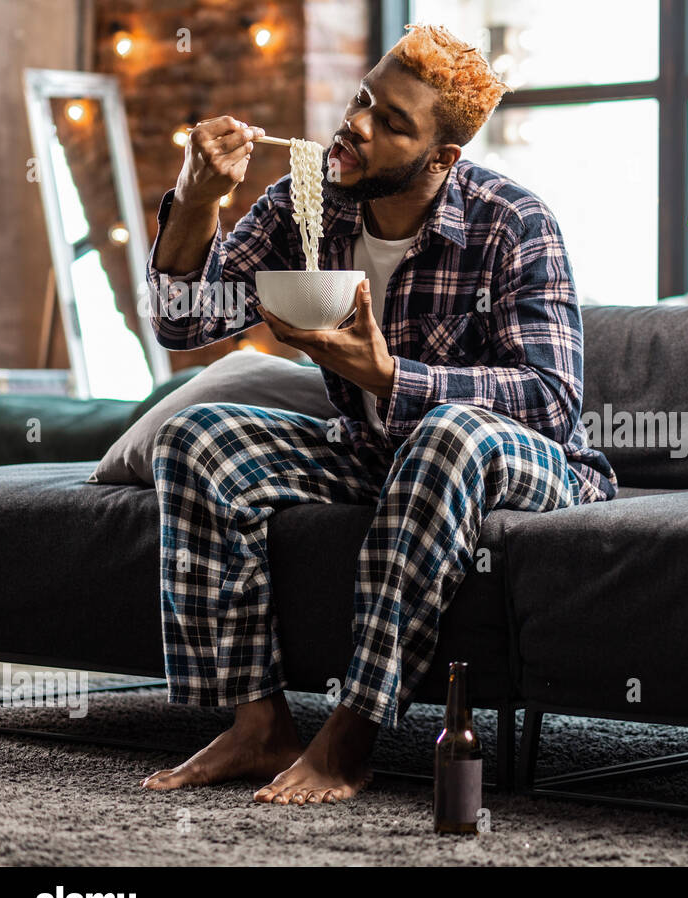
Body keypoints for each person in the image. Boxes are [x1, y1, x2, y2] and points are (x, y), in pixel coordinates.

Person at [140, 22, 617, 804]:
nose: (356, 124)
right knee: (195, 438)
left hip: (525, 464)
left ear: (442, 157)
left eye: (391, 122)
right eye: (364, 99)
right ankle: (258, 725)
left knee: (446, 431)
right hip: (374, 453)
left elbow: (551, 400)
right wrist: (196, 199)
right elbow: (185, 323)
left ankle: (353, 732)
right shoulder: (311, 201)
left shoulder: (512, 223)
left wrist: (395, 378)